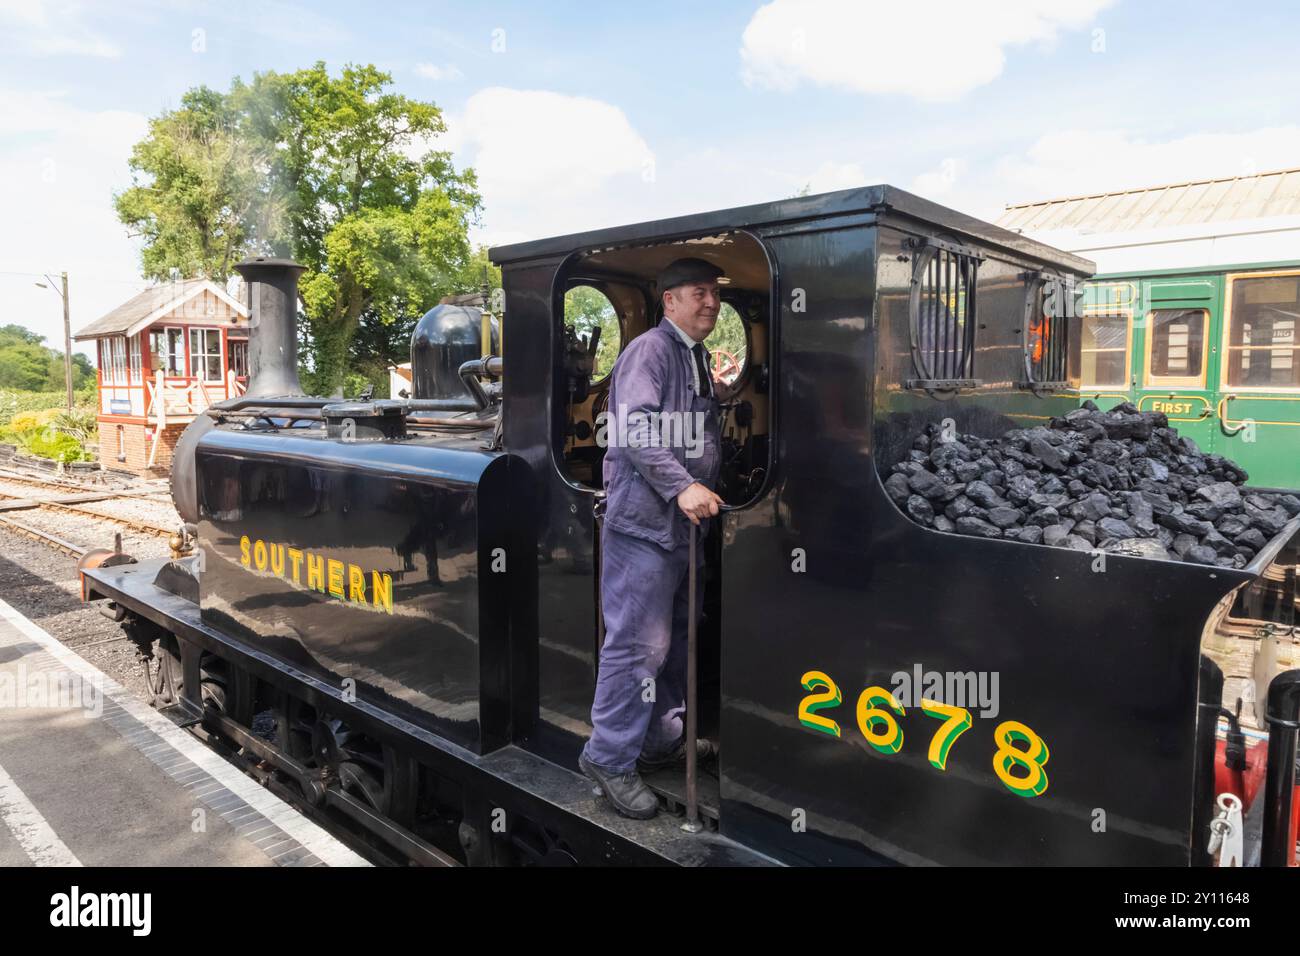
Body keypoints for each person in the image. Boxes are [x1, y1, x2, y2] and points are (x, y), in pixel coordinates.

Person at [578, 257, 726, 819]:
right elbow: (633, 428)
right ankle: (609, 758)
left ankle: (660, 742)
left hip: (683, 527)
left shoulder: (696, 356)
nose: (709, 302)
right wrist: (683, 484)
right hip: (644, 524)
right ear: (670, 301)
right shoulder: (650, 351)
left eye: (714, 293)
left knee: (679, 640)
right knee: (639, 646)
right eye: (698, 292)